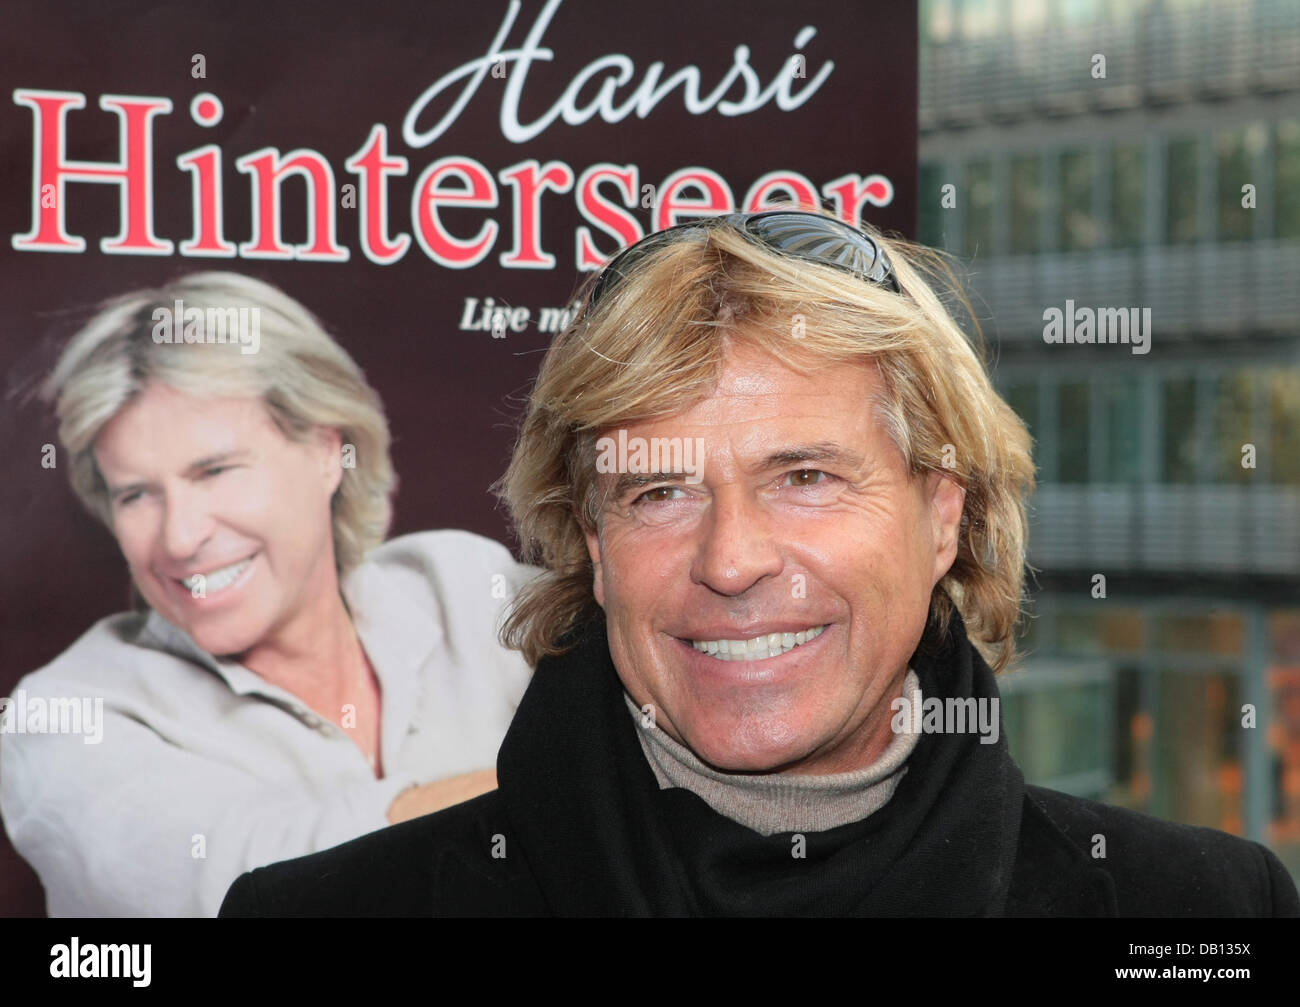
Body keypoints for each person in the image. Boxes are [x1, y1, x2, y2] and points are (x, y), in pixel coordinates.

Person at [218, 211, 1299, 917]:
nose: (729, 559)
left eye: (807, 476)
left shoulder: (1197, 909)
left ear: (941, 515)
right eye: (658, 490)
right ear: (591, 545)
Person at [0, 272, 534, 916]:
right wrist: (576, 793)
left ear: (326, 451)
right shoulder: (68, 711)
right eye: (136, 494)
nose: (180, 537)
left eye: (214, 470)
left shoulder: (462, 584)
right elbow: (247, 885)